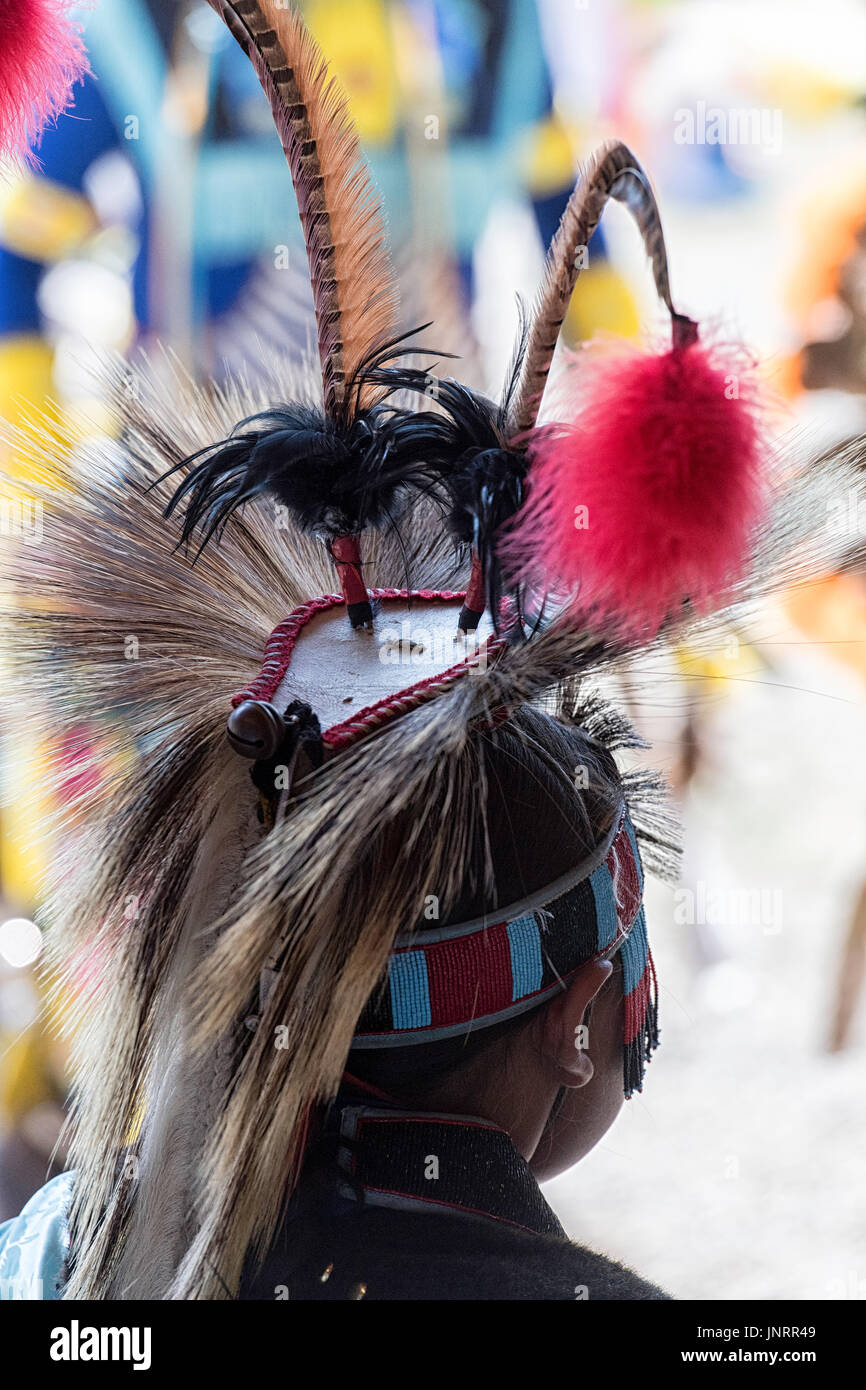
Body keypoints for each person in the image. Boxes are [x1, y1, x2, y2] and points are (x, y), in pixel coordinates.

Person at [0, 0, 860, 1302]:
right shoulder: (140, 39)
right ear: (590, 1018)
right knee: (233, 913)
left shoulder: (492, 38)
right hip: (218, 597)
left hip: (448, 589)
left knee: (425, 893)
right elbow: (19, 261)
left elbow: (577, 249)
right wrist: (44, 488)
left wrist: (625, 464)